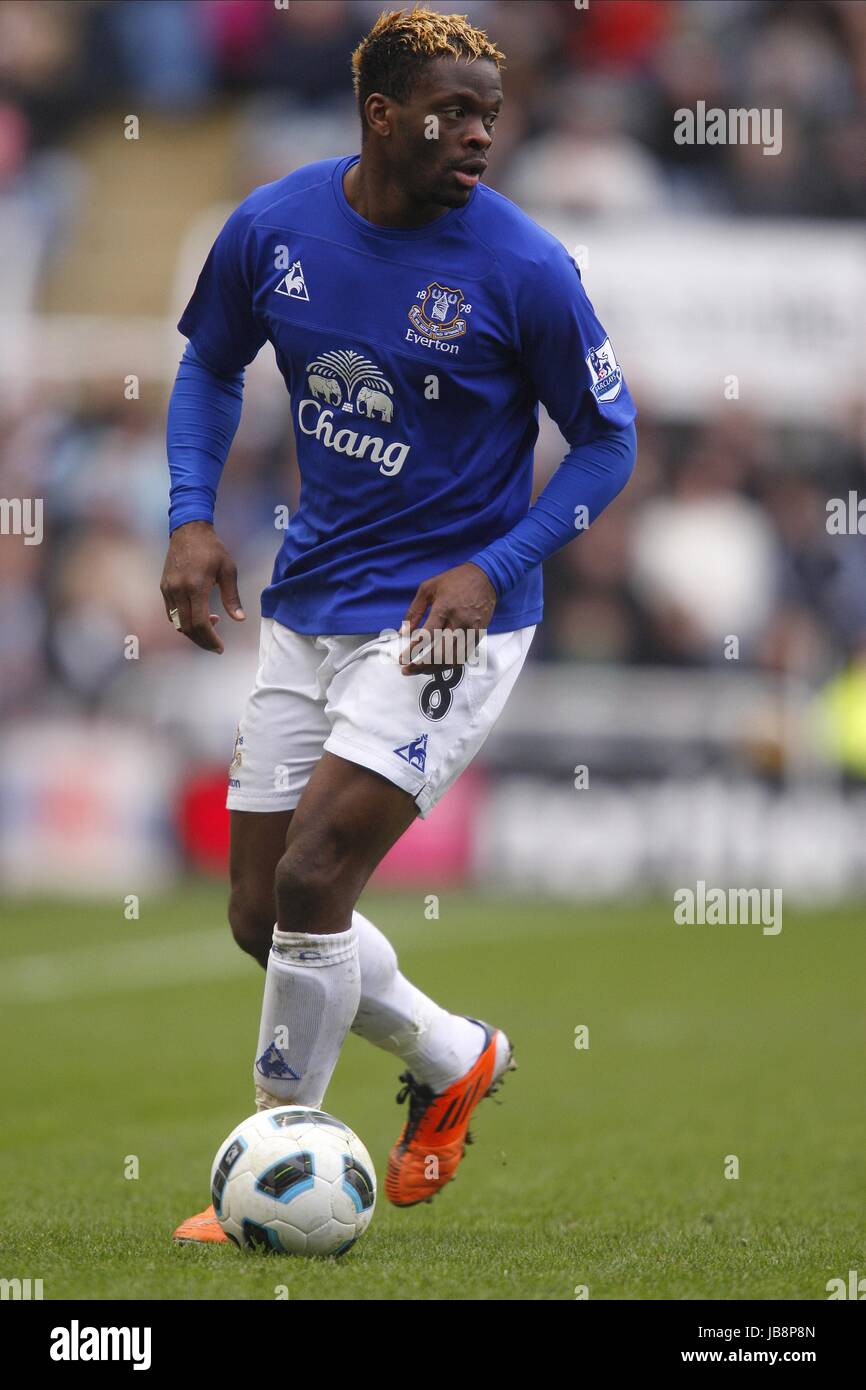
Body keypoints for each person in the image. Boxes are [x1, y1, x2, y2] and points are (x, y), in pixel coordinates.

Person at [161, 5, 637, 1243]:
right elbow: (213, 364)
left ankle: (276, 1162)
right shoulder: (273, 227)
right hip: (311, 596)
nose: (480, 133)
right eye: (454, 111)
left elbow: (605, 443)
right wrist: (188, 517)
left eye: (491, 111)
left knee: (319, 878)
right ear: (381, 113)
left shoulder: (523, 266)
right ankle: (454, 1052)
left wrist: (496, 562)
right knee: (260, 917)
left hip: (447, 621)